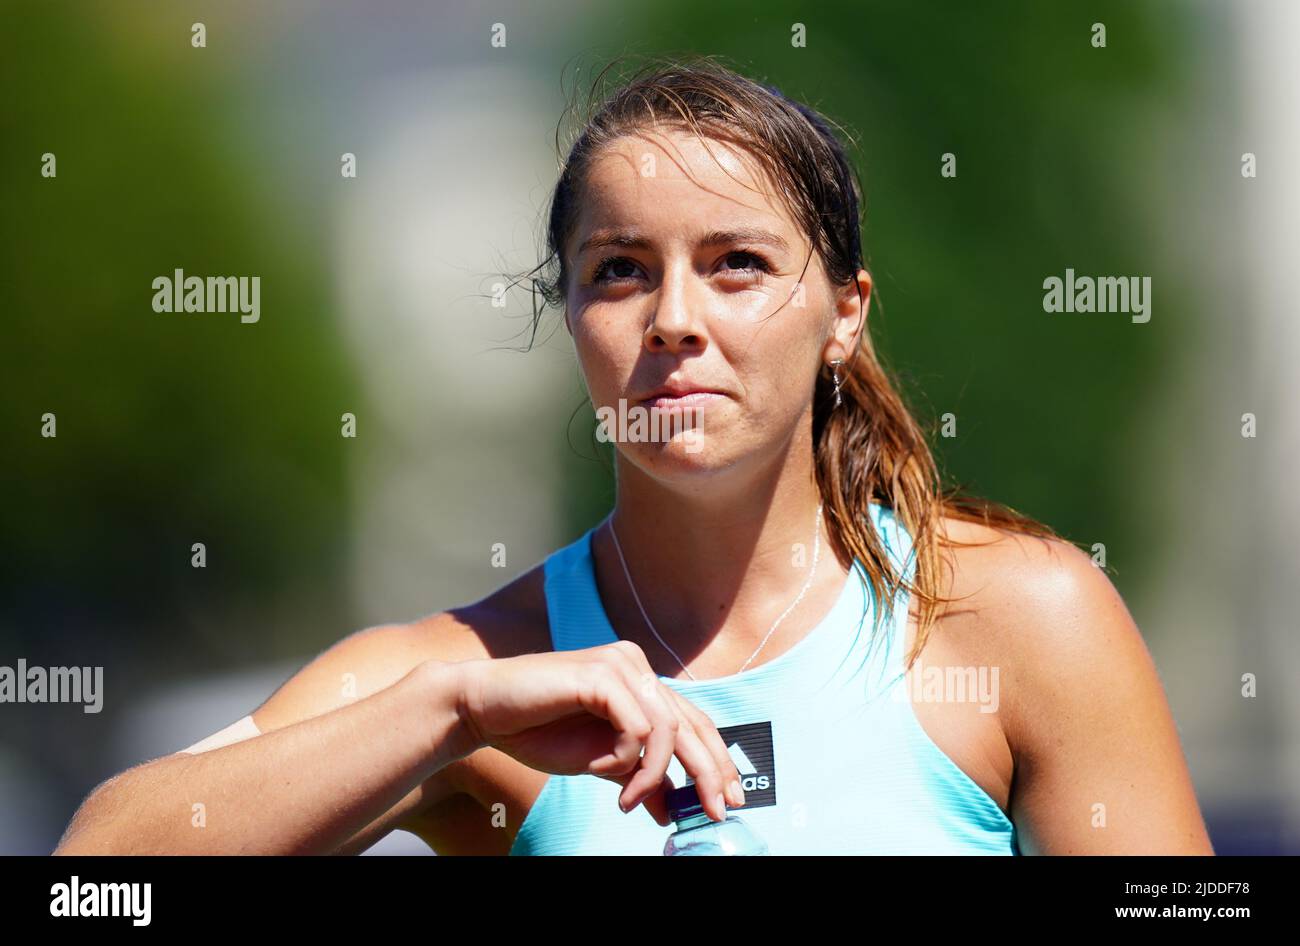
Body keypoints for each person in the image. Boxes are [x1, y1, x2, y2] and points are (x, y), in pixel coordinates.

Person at [54, 56, 1214, 856]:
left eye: (736, 264)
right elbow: (96, 880)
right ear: (570, 315)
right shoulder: (475, 669)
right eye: (619, 268)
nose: (671, 318)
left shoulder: (1015, 616)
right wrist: (456, 710)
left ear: (846, 313)